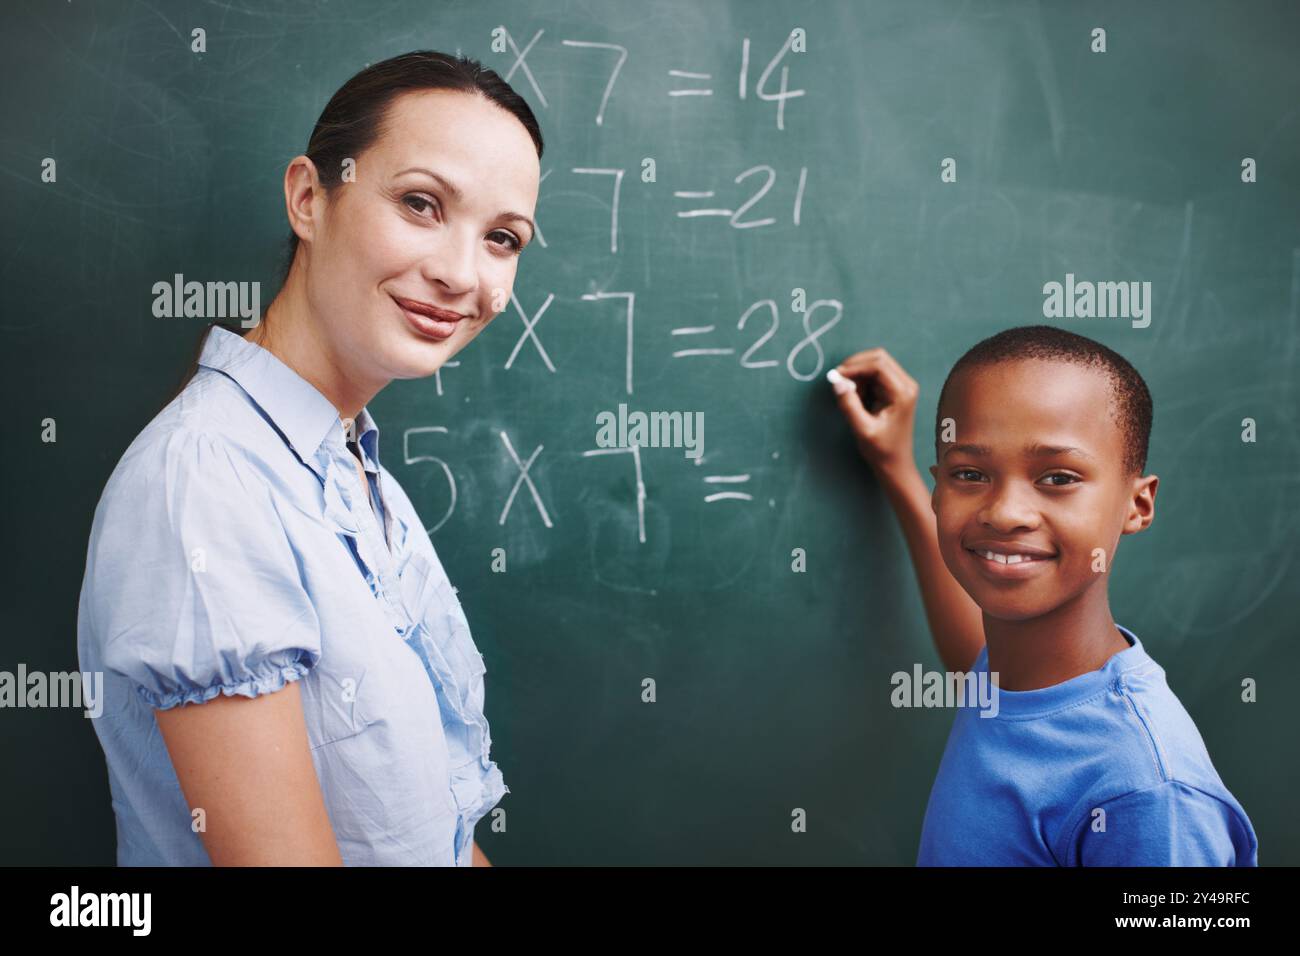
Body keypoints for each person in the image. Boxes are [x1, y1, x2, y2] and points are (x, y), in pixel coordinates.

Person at [76, 50, 542, 866]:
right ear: (307, 198)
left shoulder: (360, 479)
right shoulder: (206, 482)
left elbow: (438, 837)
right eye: (421, 204)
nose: (460, 274)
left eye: (503, 238)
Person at [829, 325, 1258, 865]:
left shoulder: (1149, 792)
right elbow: (973, 656)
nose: (1006, 513)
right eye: (969, 473)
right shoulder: (1014, 677)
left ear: (1137, 504)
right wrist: (894, 466)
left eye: (1058, 477)